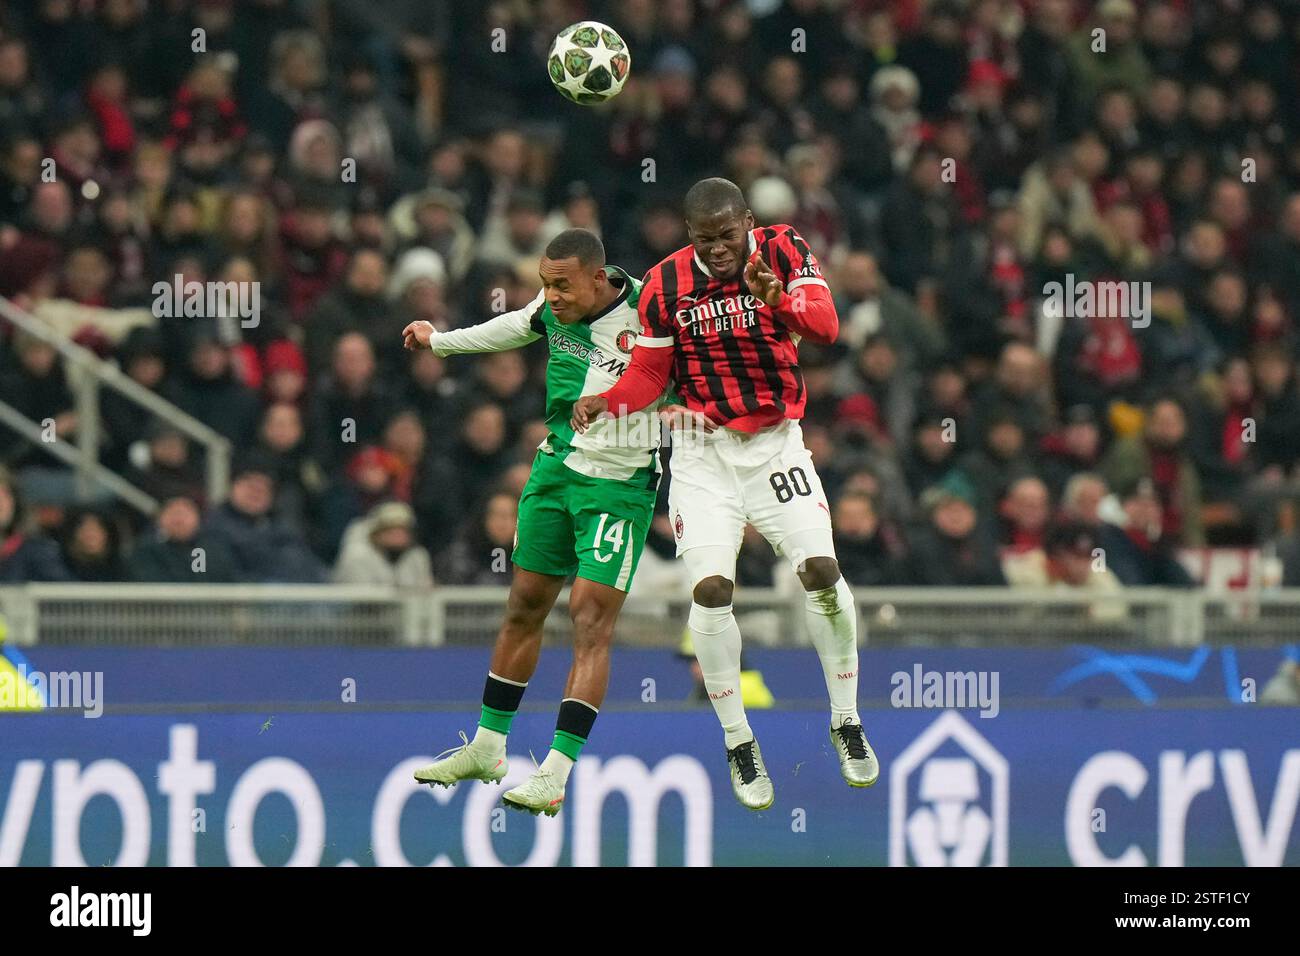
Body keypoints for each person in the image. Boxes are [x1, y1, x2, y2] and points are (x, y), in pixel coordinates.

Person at [571, 177, 877, 810]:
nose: (718, 249)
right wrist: (611, 398)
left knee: (821, 572)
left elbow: (824, 328)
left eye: (728, 235)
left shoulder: (786, 250)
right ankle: (739, 740)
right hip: (703, 454)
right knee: (712, 590)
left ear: (747, 223)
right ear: (690, 236)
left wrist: (780, 301)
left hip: (775, 443)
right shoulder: (663, 284)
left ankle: (845, 718)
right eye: (705, 239)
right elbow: (652, 369)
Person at [401, 228, 664, 816]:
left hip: (618, 487)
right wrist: (440, 342)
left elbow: (689, 379)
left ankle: (555, 770)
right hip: (555, 469)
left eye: (562, 285)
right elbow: (512, 326)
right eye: (546, 284)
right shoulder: (553, 306)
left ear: (599, 277)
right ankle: (489, 746)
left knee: (589, 617)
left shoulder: (651, 310)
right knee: (523, 604)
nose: (552, 296)